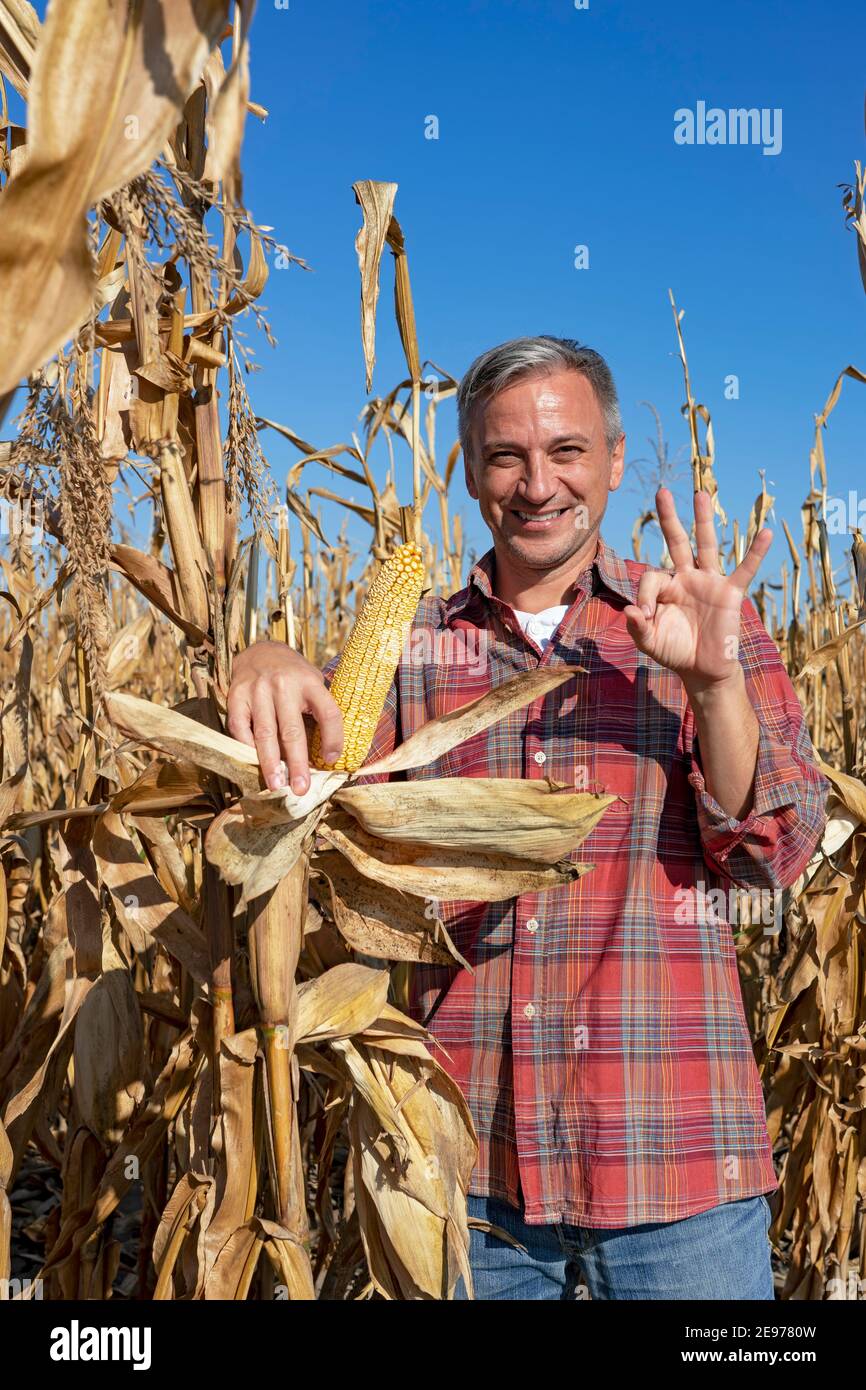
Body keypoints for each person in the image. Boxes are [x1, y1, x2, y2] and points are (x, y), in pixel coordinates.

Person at [227, 336, 829, 1299]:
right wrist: (263, 657)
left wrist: (713, 686)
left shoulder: (701, 619)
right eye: (506, 456)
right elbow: (310, 826)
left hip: (676, 1164)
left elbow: (773, 855)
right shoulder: (410, 650)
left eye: (568, 452)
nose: (537, 484)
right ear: (469, 469)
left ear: (617, 459)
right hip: (468, 1176)